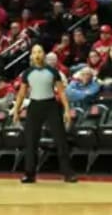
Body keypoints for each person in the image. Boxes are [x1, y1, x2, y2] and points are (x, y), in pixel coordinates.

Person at [13, 44, 73, 184]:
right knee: (31, 141)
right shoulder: (27, 73)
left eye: (40, 52)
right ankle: (29, 174)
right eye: (35, 52)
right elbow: (21, 94)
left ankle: (68, 173)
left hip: (51, 105)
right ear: (32, 56)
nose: (37, 55)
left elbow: (61, 92)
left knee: (60, 140)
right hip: (34, 106)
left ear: (44, 54)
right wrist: (16, 111)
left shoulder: (52, 71)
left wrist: (67, 110)